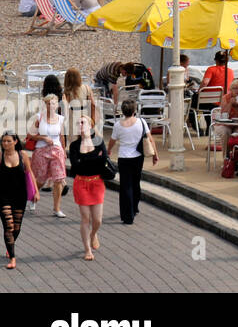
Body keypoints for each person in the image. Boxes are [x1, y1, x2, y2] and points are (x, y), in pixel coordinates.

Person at [109, 100, 156, 225]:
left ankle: (127, 215)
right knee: (136, 182)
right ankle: (134, 207)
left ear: (123, 111)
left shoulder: (118, 125)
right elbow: (150, 139)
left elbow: (112, 140)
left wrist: (108, 150)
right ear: (134, 110)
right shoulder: (141, 122)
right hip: (138, 157)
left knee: (126, 186)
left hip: (124, 157)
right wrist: (155, 154)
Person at [68, 116, 108, 261]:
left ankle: (93, 234)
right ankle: (87, 249)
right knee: (85, 218)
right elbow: (75, 165)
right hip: (81, 183)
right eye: (78, 123)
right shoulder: (74, 145)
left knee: (97, 220)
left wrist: (84, 160)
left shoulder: (98, 141)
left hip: (97, 183)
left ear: (90, 125)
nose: (80, 125)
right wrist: (93, 159)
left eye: (83, 122)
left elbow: (104, 160)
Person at [0, 133, 36, 269]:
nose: (5, 144)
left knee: (17, 227)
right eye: (3, 141)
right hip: (3, 196)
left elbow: (29, 172)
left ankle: (10, 246)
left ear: (15, 142)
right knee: (8, 226)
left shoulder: (23, 155)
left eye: (8, 141)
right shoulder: (0, 156)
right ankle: (13, 257)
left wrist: (36, 191)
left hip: (20, 196)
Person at [29, 94, 67, 218]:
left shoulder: (61, 119)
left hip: (57, 150)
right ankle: (33, 197)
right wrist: (43, 137)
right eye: (48, 103)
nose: (51, 106)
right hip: (41, 149)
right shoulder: (39, 117)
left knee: (58, 179)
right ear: (45, 105)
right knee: (40, 179)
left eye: (53, 103)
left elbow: (62, 136)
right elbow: (30, 135)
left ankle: (56, 208)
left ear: (57, 105)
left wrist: (64, 150)